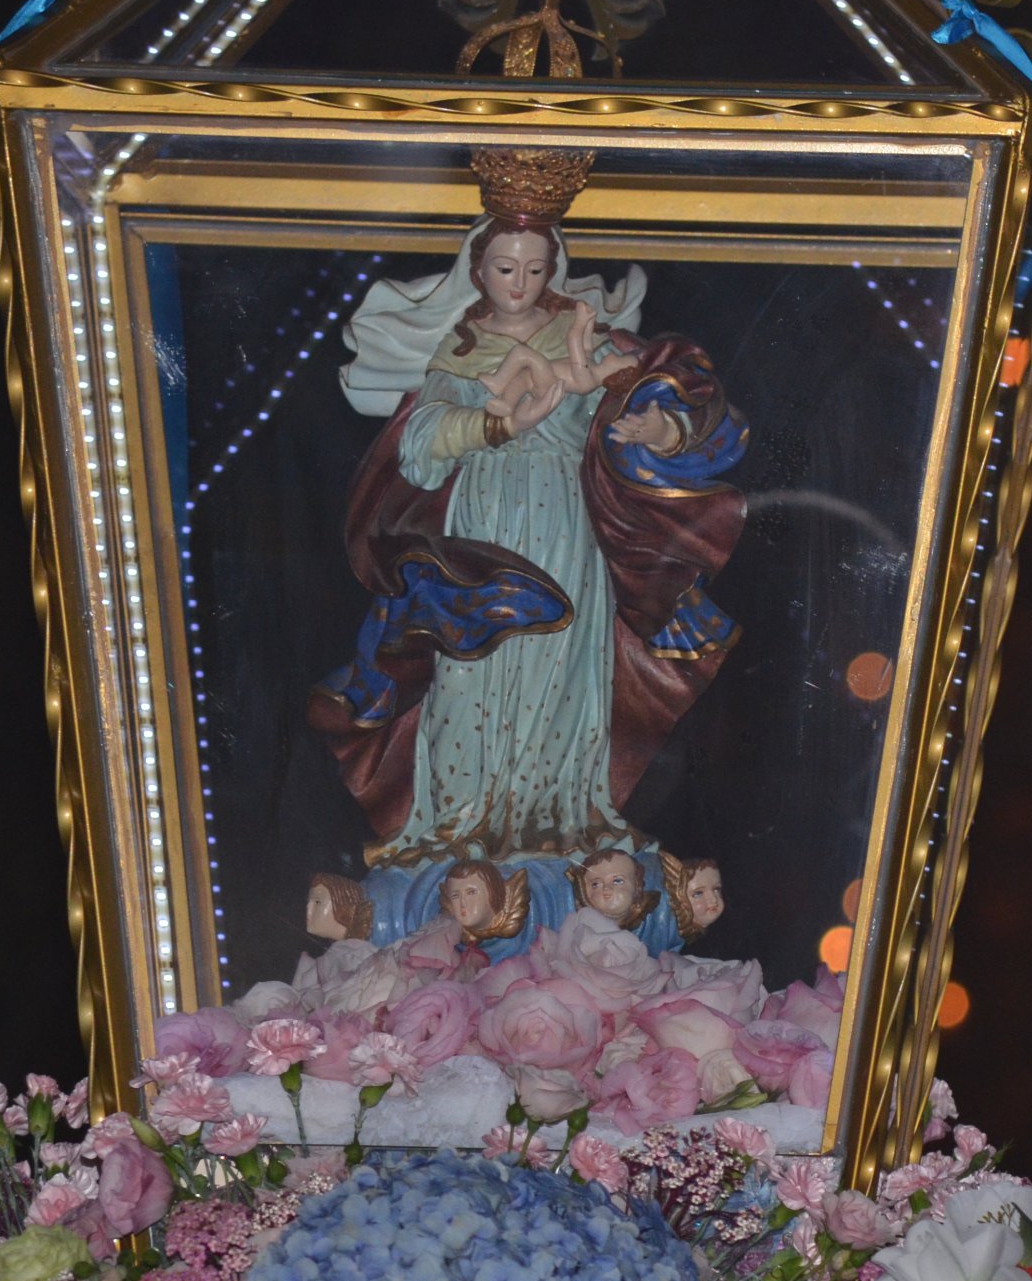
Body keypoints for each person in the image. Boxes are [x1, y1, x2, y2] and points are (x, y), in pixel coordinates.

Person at [310, 146, 750, 868]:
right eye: (505, 268)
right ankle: (461, 823)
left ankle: (557, 821)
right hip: (479, 528)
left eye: (535, 268)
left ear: (555, 266)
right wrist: (490, 427)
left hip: (564, 522)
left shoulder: (586, 332)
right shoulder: (458, 347)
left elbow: (663, 394)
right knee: (471, 667)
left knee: (561, 664)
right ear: (477, 268)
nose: (519, 284)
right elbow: (418, 447)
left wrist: (655, 427)